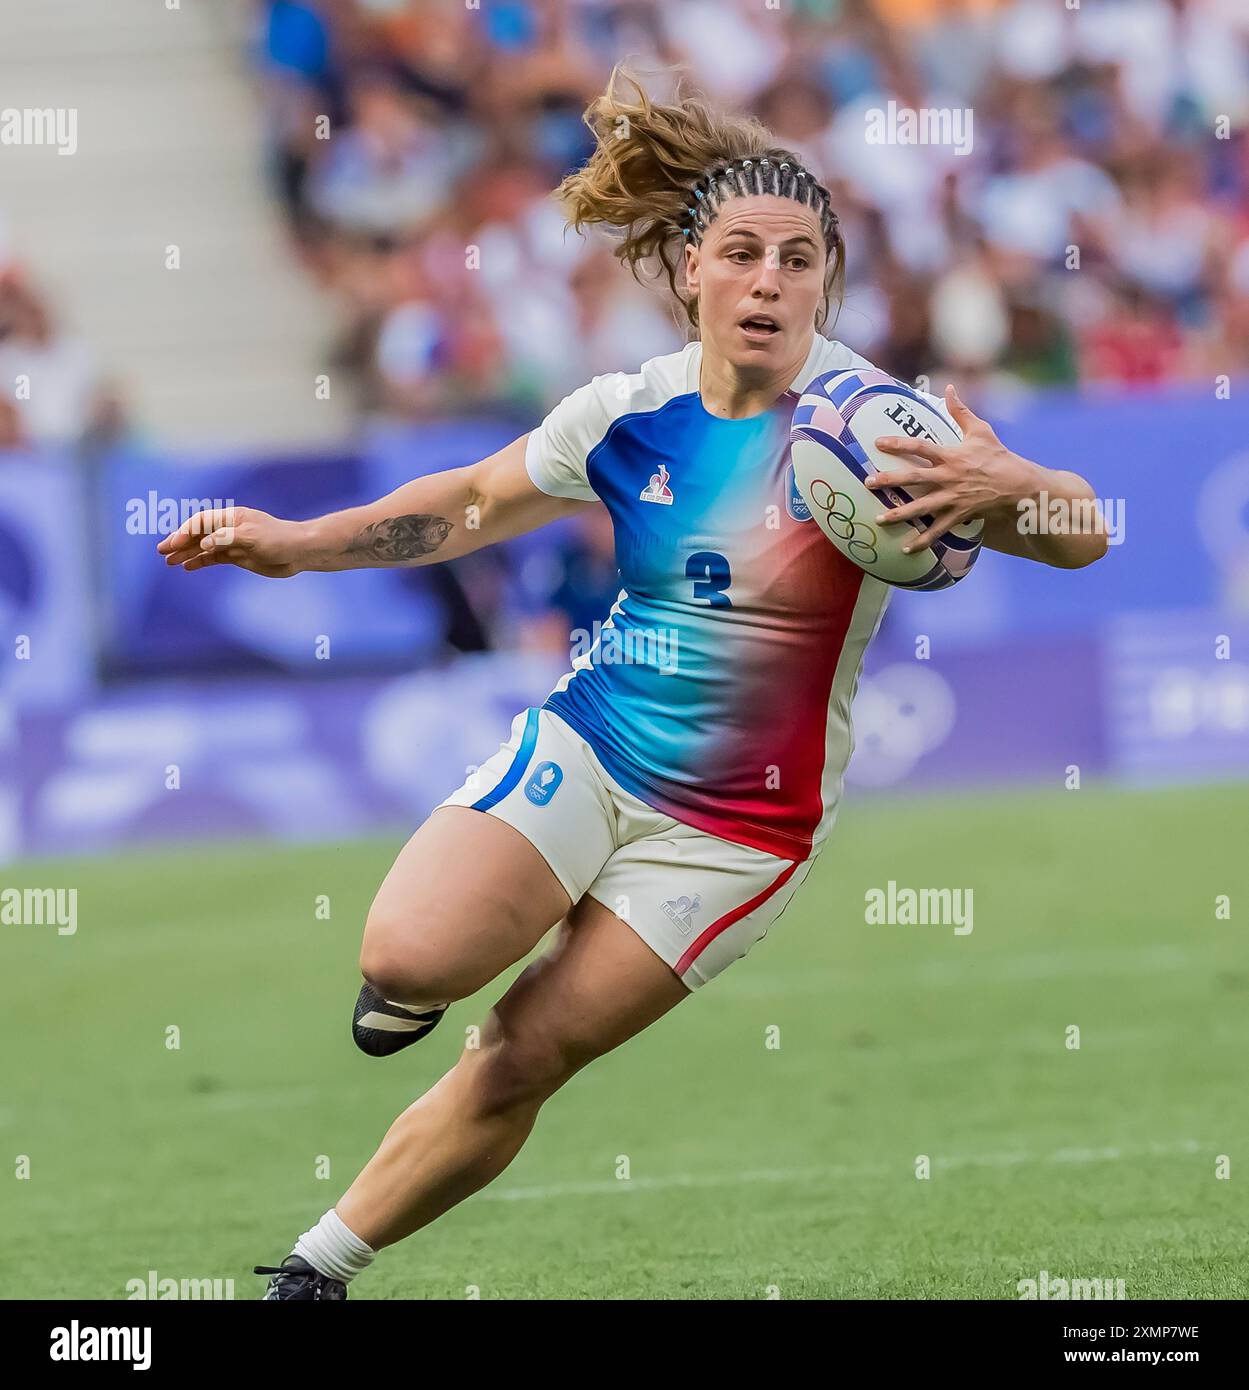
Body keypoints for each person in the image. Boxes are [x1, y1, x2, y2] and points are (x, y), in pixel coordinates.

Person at [157, 67, 1107, 1300]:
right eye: (744, 255)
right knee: (408, 952)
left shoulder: (879, 426)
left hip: (736, 831)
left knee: (522, 1052)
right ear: (689, 270)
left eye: (801, 260)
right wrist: (294, 543)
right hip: (597, 741)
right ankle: (407, 986)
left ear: (828, 279)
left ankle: (314, 1270)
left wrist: (1004, 486)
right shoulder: (626, 411)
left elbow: (1084, 529)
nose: (771, 282)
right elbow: (465, 506)